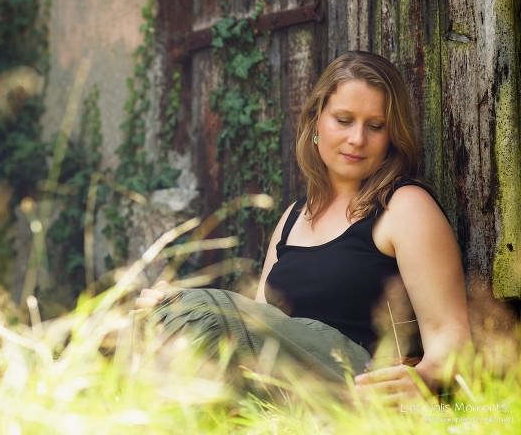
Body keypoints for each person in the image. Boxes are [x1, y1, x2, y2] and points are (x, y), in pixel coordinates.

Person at [136, 51, 471, 404]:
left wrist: (423, 379)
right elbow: (257, 327)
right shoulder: (293, 218)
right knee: (158, 321)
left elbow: (451, 334)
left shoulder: (404, 206)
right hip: (283, 392)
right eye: (344, 120)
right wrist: (174, 308)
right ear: (315, 122)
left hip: (358, 384)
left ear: (391, 136)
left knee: (202, 313)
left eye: (375, 126)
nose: (358, 138)